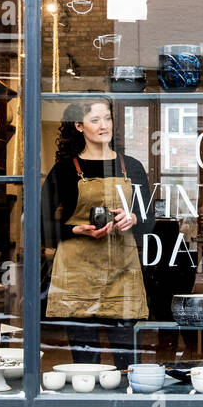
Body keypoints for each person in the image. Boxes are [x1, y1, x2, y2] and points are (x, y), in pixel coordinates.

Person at [41, 96, 154, 369]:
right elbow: (39, 222)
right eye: (95, 120)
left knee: (127, 361)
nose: (104, 126)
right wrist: (75, 229)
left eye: (108, 118)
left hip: (121, 273)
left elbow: (150, 221)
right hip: (77, 275)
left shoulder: (133, 167)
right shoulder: (65, 170)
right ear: (79, 126)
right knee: (85, 363)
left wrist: (134, 217)